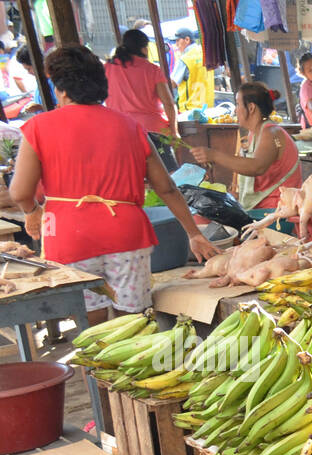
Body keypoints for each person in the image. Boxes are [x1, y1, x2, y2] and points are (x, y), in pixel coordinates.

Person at [10, 45, 218, 320]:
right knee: (133, 323)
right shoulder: (130, 126)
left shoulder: (38, 126)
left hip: (70, 235)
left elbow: (20, 191)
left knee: (91, 326)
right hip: (126, 234)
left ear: (59, 88)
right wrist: (193, 233)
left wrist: (32, 212)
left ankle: (94, 364)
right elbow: (165, 186)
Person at [189, 81, 301, 210]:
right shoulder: (255, 133)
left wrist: (214, 155)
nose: (235, 110)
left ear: (251, 107)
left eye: (237, 104)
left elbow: (257, 167)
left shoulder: (272, 133)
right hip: (262, 208)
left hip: (278, 211)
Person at [104, 28, 179, 150]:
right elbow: (168, 103)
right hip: (152, 133)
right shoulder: (152, 69)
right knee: (164, 169)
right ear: (144, 48)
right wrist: (175, 132)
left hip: (119, 132)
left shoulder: (107, 68)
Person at [171, 27, 214, 112]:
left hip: (190, 110)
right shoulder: (205, 53)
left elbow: (173, 83)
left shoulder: (185, 59)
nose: (176, 45)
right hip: (208, 107)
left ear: (187, 40)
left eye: (177, 41)